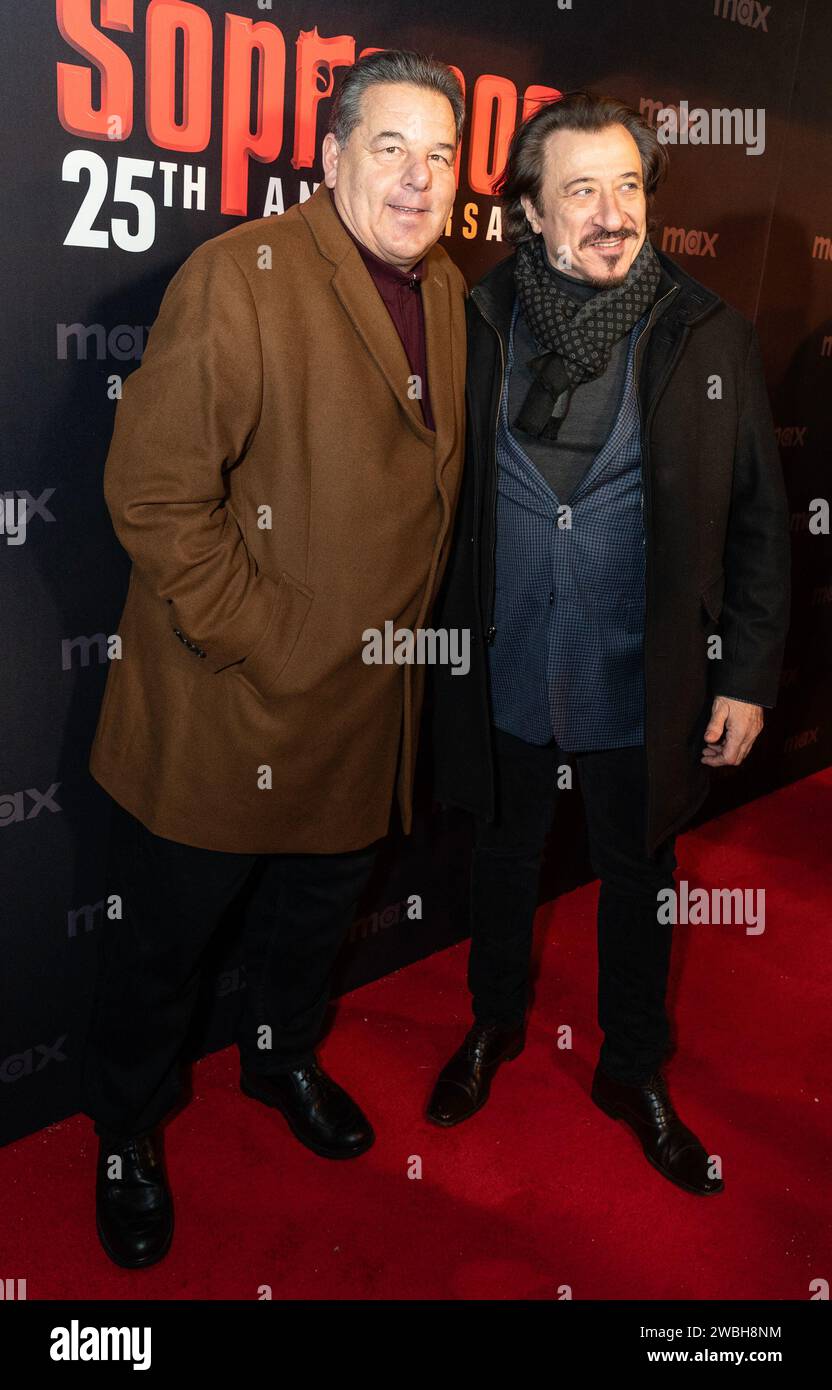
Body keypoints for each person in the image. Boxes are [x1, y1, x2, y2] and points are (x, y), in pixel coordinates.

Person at [82, 49, 466, 1267]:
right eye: (389, 148)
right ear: (333, 154)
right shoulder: (237, 277)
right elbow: (152, 499)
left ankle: (280, 1058)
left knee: (310, 925)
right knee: (166, 951)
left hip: (367, 715)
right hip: (232, 708)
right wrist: (276, 640)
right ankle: (126, 1135)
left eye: (440, 155)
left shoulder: (448, 287)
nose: (416, 180)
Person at [428, 91, 791, 1196]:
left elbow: (760, 519)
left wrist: (747, 673)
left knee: (640, 873)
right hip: (504, 656)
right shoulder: (473, 323)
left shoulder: (705, 330)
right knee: (501, 856)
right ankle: (493, 1024)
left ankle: (632, 1068)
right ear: (529, 211)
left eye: (627, 185)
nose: (610, 212)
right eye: (580, 188)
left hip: (647, 672)